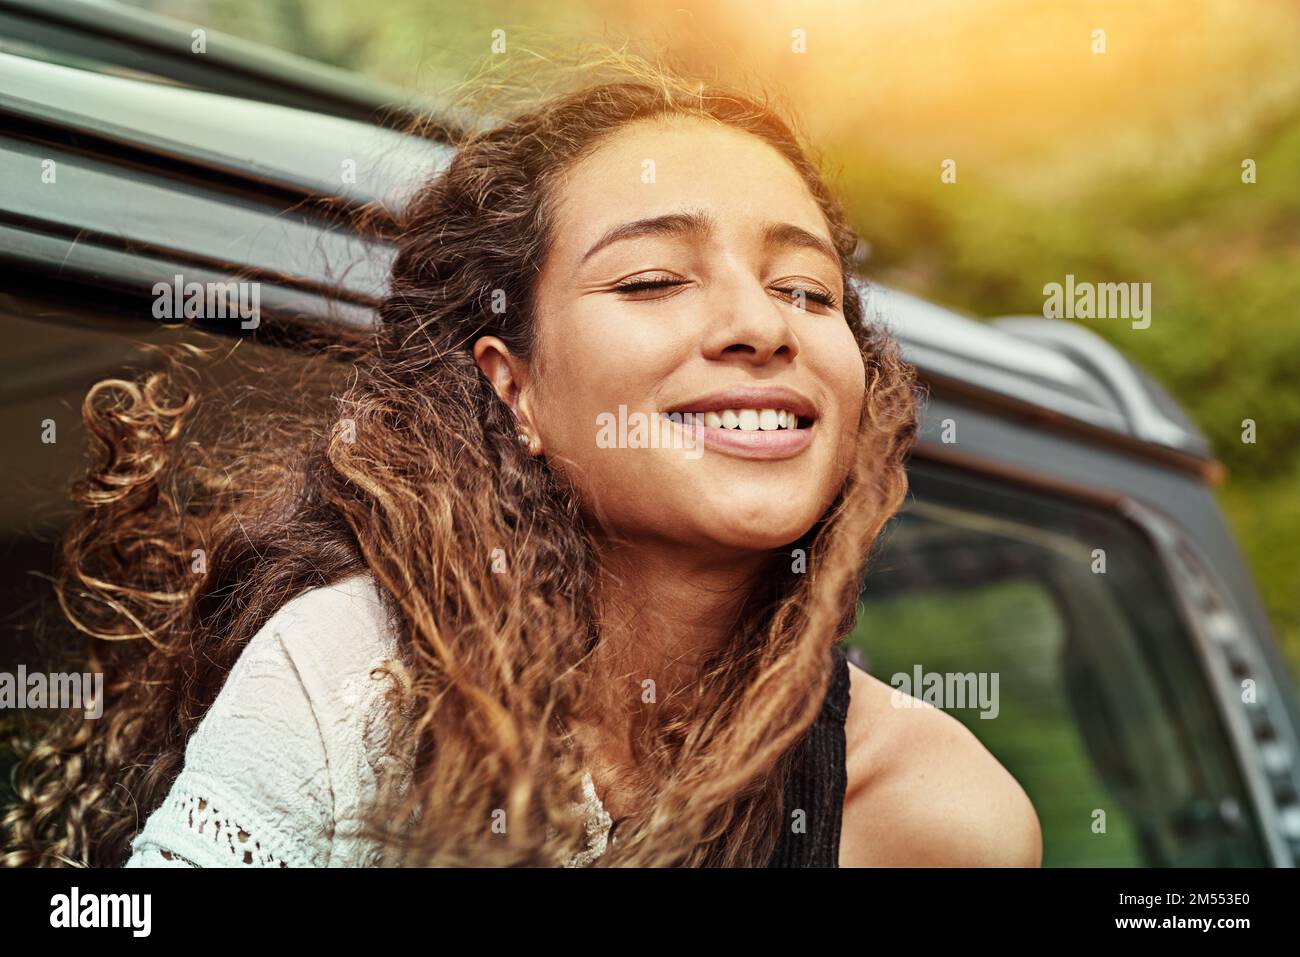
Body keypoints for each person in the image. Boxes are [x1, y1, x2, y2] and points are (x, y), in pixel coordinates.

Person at [1, 49, 1041, 868]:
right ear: (514, 388)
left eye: (806, 291)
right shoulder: (351, 679)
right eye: (647, 282)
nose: (760, 326)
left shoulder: (942, 814)